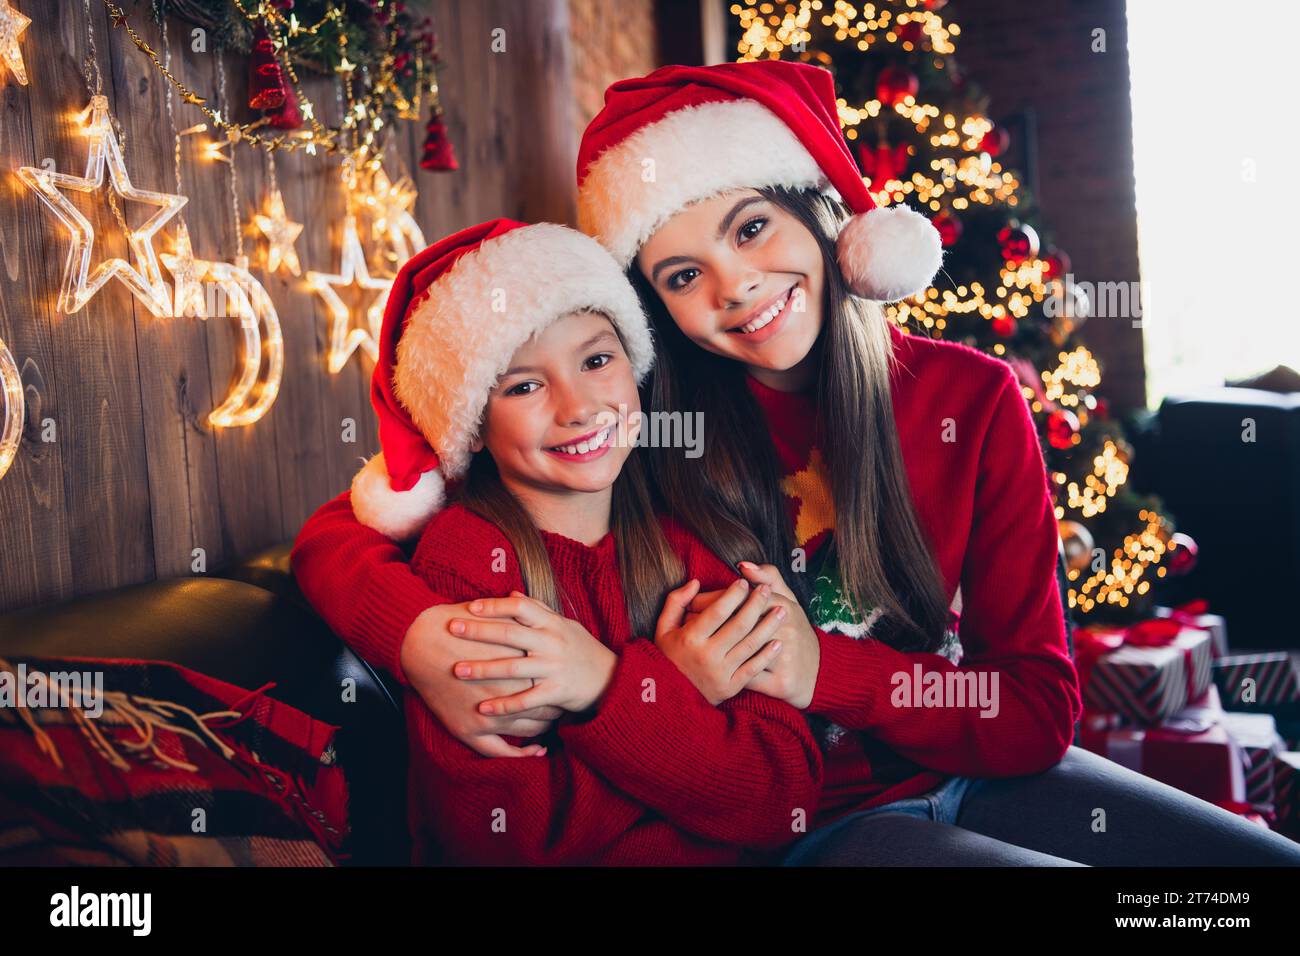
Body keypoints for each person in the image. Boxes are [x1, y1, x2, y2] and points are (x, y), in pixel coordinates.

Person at [294, 62, 1300, 865]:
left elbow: (1035, 711)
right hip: (800, 822)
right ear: (657, 306)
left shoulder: (970, 402)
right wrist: (417, 632)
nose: (736, 292)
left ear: (825, 217)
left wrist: (826, 668)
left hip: (975, 770)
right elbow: (345, 532)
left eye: (751, 228)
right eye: (684, 275)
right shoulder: (646, 415)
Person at [357, 218, 820, 864]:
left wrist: (606, 685)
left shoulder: (682, 538)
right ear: (473, 426)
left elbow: (782, 795)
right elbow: (508, 843)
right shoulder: (469, 565)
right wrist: (670, 692)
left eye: (598, 360)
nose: (578, 407)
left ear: (634, 366)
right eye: (524, 385)